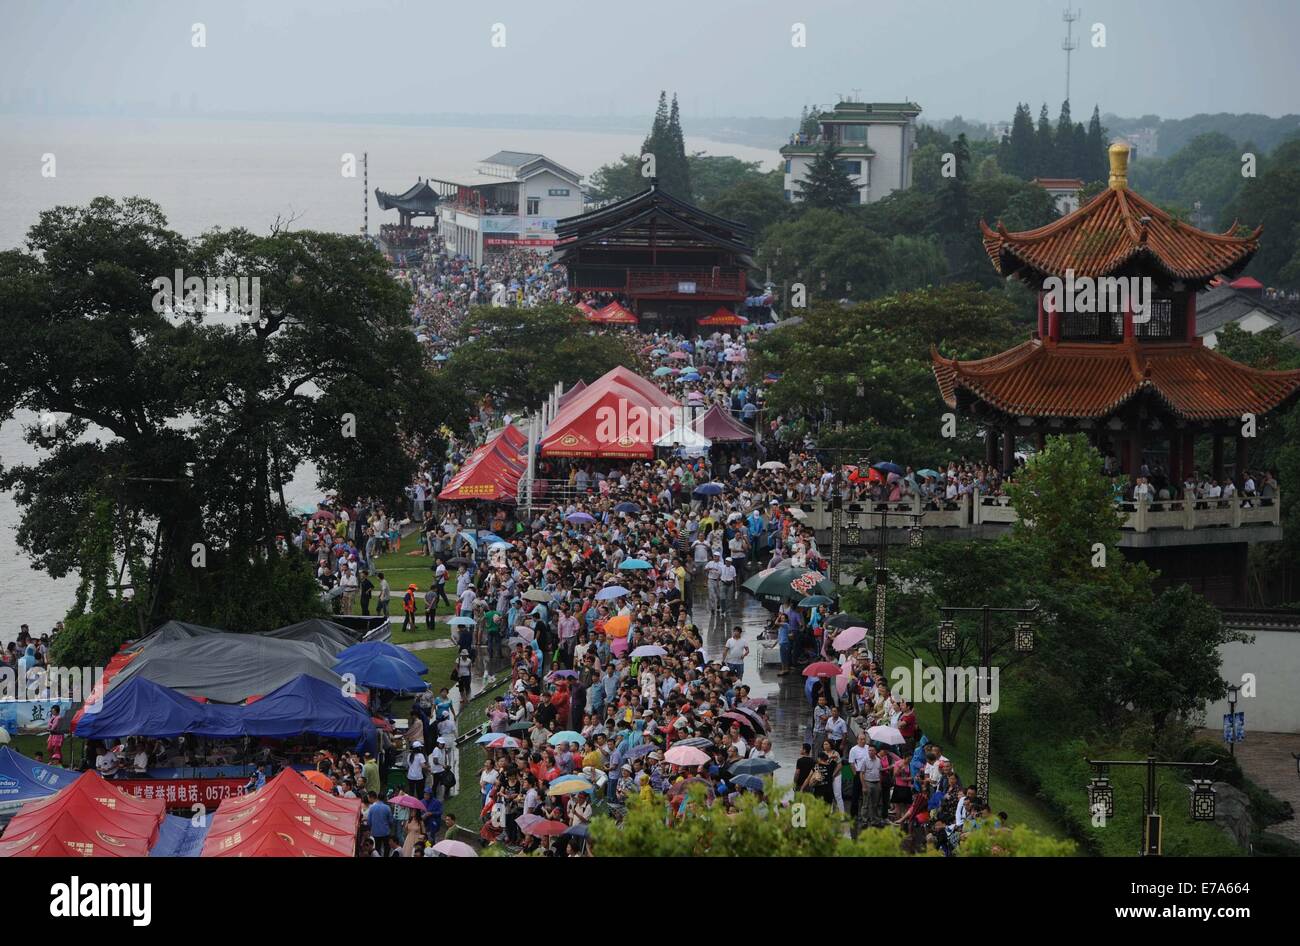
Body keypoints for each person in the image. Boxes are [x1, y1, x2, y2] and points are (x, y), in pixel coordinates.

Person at [367, 791, 394, 856]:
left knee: (377, 848)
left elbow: (369, 822)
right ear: (384, 798)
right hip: (385, 831)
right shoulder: (387, 808)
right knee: (386, 847)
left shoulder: (372, 808)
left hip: (375, 832)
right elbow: (391, 821)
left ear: (377, 798)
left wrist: (371, 828)